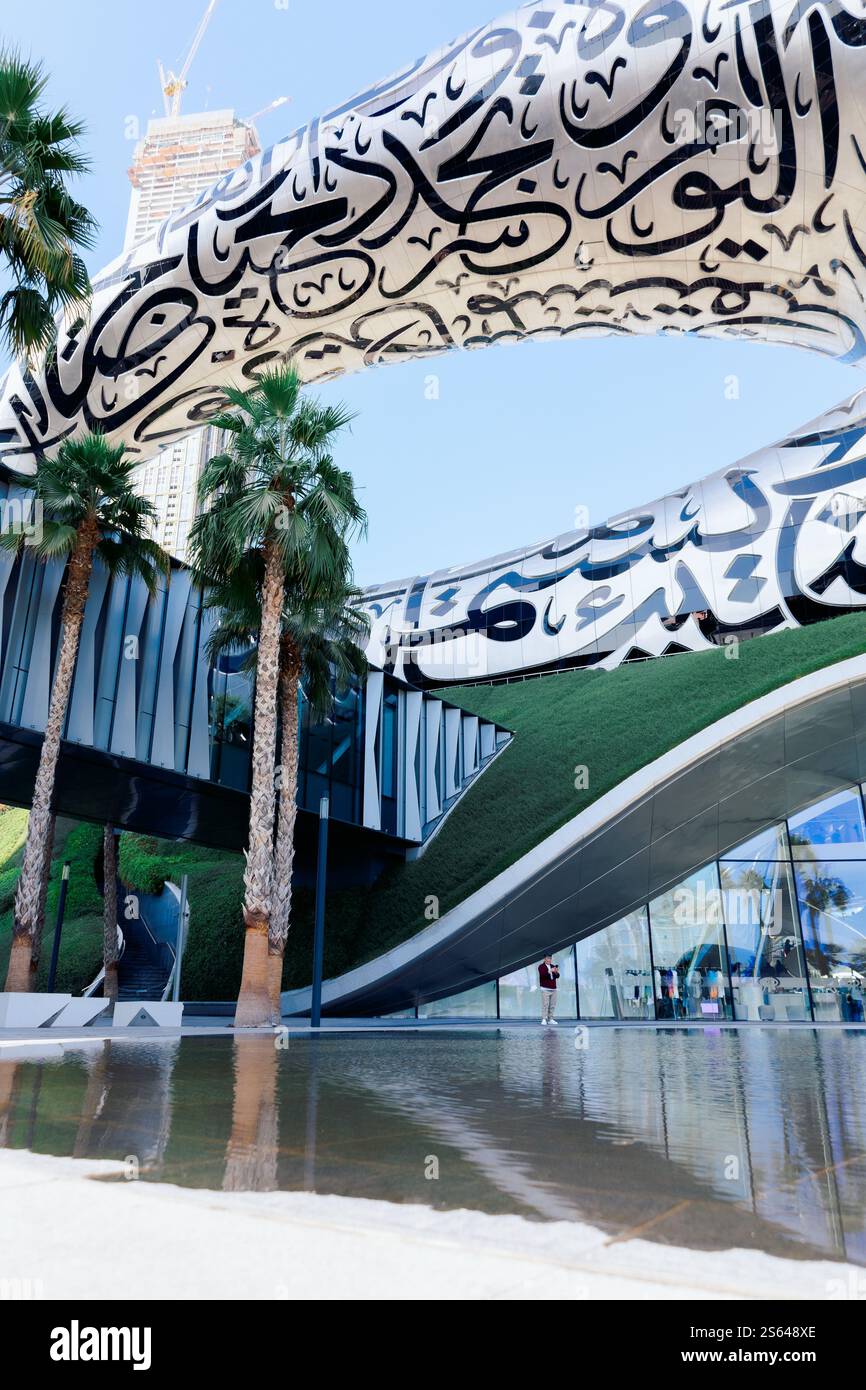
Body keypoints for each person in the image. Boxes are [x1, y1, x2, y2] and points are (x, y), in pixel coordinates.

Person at [538, 955, 560, 1025]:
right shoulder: (541, 967)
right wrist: (550, 971)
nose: (549, 960)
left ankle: (550, 1019)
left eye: (550, 958)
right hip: (545, 988)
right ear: (544, 959)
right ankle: (544, 1019)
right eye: (547, 958)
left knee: (552, 1005)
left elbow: (557, 976)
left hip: (553, 988)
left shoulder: (553, 966)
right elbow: (543, 975)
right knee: (545, 1004)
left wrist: (556, 972)